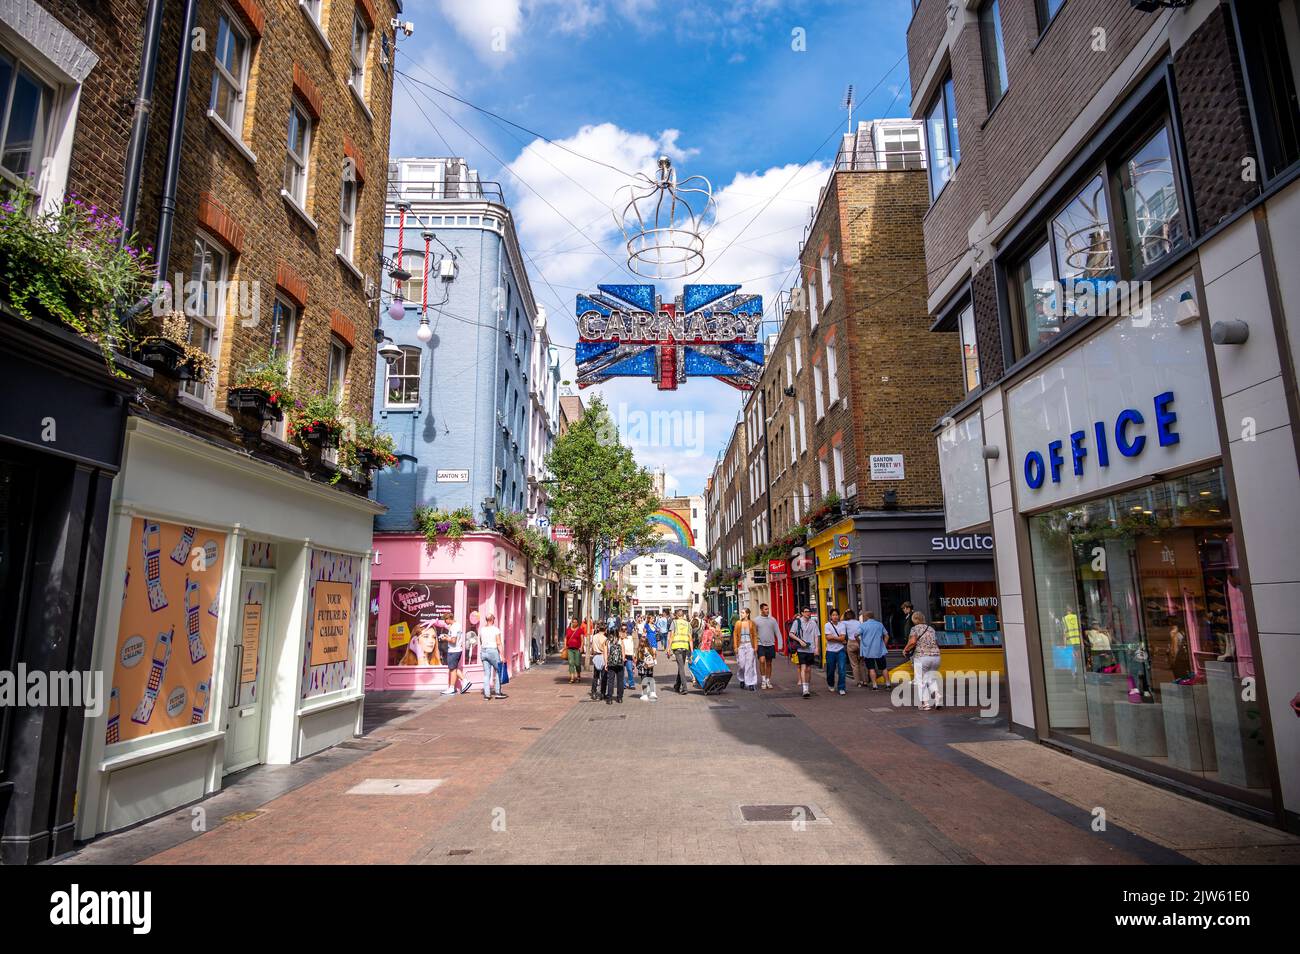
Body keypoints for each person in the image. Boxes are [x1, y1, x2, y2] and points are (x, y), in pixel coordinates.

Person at [904, 611, 942, 710]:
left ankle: (925, 703)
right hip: (936, 656)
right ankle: (937, 696)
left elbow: (912, 641)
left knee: (921, 681)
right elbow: (937, 642)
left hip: (922, 657)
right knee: (931, 678)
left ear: (915, 620)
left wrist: (905, 649)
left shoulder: (914, 628)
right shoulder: (931, 629)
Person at [791, 607, 821, 698]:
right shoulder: (797, 622)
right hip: (801, 649)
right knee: (803, 667)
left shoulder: (813, 623)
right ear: (802, 613)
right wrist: (800, 641)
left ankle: (807, 686)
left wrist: (817, 648)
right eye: (806, 612)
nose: (808, 613)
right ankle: (805, 689)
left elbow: (816, 636)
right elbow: (791, 633)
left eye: (809, 611)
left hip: (810, 648)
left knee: (809, 669)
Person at [859, 610, 889, 690]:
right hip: (879, 650)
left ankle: (875, 686)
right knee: (884, 668)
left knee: (871, 668)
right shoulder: (879, 624)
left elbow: (856, 634)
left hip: (868, 650)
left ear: (866, 617)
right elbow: (886, 636)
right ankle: (888, 684)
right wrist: (884, 645)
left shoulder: (863, 625)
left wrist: (860, 641)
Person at [479, 612, 506, 701]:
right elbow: (498, 643)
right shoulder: (495, 630)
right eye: (494, 618)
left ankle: (487, 695)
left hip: (484, 651)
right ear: (492, 619)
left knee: (487, 674)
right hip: (492, 651)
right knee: (498, 670)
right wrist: (502, 656)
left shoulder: (482, 629)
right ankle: (498, 692)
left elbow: (480, 641)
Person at [754, 603, 780, 690]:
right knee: (762, 661)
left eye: (768, 609)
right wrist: (754, 645)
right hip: (760, 644)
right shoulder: (756, 620)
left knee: (769, 663)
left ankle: (768, 680)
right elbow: (753, 633)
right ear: (761, 610)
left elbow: (777, 631)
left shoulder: (773, 620)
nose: (767, 611)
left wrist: (780, 643)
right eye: (765, 609)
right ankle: (763, 680)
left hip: (771, 644)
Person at [441, 613, 469, 695]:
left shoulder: (454, 627)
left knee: (452, 669)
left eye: (445, 619)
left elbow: (453, 641)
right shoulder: (457, 625)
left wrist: (445, 638)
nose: (444, 621)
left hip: (454, 650)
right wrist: (447, 636)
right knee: (453, 668)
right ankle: (465, 681)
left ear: (449, 618)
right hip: (456, 650)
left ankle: (452, 688)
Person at [824, 609, 849, 695]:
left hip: (840, 650)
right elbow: (828, 638)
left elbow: (842, 638)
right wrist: (839, 638)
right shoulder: (827, 625)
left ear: (838, 616)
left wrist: (833, 637)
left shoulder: (842, 625)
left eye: (836, 615)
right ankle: (830, 684)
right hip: (830, 651)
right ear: (831, 616)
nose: (835, 616)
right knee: (830, 670)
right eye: (833, 615)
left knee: (842, 669)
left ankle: (841, 687)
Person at [733, 607, 758, 691]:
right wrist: (736, 647)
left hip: (749, 645)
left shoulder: (752, 623)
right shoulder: (738, 623)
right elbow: (735, 635)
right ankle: (742, 678)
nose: (741, 614)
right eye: (741, 612)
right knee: (741, 664)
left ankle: (750, 683)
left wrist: (755, 646)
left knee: (750, 665)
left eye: (743, 613)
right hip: (741, 646)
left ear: (747, 614)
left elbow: (754, 635)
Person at [670, 609, 693, 694]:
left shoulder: (674, 622)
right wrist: (692, 650)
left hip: (676, 647)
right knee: (681, 666)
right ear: (683, 615)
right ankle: (677, 685)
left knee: (681, 668)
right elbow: (690, 638)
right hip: (685, 647)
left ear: (677, 615)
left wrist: (668, 649)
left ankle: (685, 688)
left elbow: (671, 636)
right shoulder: (688, 624)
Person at [604, 618, 626, 704]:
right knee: (620, 681)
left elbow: (606, 653)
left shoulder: (607, 642)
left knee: (610, 681)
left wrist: (606, 663)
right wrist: (622, 661)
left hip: (611, 663)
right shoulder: (620, 641)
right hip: (620, 664)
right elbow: (623, 652)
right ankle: (620, 697)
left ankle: (609, 698)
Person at [842, 609, 864, 686]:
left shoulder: (845, 623)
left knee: (854, 664)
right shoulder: (858, 622)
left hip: (851, 642)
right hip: (860, 642)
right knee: (862, 663)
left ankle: (858, 682)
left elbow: (840, 620)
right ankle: (865, 681)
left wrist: (844, 612)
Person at [589, 622, 607, 701]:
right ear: (605, 630)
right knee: (603, 677)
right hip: (602, 656)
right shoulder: (605, 638)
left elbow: (592, 647)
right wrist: (606, 662)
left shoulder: (594, 637)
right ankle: (602, 693)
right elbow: (605, 650)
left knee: (595, 676)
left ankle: (593, 692)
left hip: (596, 656)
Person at [637, 635, 658, 701]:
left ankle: (645, 695)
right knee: (651, 679)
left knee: (644, 680)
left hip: (643, 668)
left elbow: (639, 658)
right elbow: (654, 656)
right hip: (650, 667)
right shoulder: (650, 649)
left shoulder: (640, 649)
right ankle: (652, 693)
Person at [564, 617, 584, 684]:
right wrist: (565, 646)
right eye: (573, 622)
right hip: (570, 649)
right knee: (571, 663)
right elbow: (566, 638)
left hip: (577, 649)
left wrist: (581, 647)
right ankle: (572, 677)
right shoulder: (568, 630)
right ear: (571, 623)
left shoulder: (580, 630)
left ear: (577, 623)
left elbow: (582, 639)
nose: (574, 623)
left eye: (576, 622)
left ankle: (578, 675)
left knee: (577, 663)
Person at [621, 624, 637, 700]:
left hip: (629, 656)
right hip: (621, 656)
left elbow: (632, 647)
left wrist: (634, 655)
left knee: (630, 670)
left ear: (627, 630)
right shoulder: (619, 638)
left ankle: (631, 684)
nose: (624, 630)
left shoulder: (630, 637)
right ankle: (623, 684)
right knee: (622, 671)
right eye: (622, 629)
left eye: (625, 629)